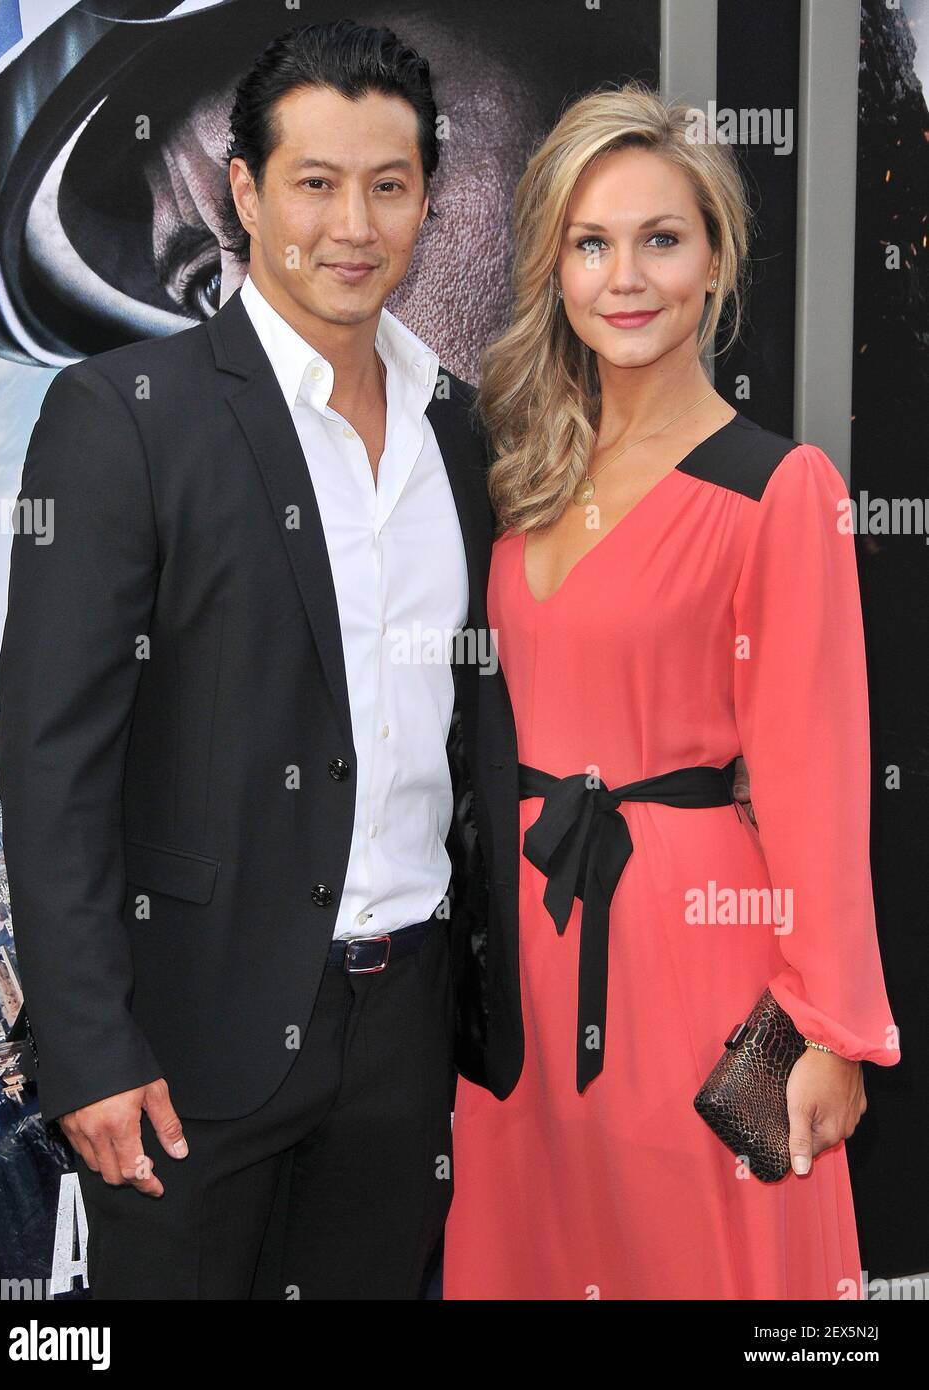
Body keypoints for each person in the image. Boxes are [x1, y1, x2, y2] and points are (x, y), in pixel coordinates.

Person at [0, 19, 529, 1301]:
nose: (352, 224)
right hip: (188, 1041)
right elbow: (53, 760)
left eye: (388, 185)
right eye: (313, 182)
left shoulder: (463, 432)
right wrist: (87, 1045)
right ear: (249, 192)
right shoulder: (123, 418)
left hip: (405, 1029)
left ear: (429, 194)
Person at [443, 82, 900, 1301]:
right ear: (553, 264)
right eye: (591, 243)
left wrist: (827, 1030)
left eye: (661, 238)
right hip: (525, 961)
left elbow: (817, 777)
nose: (624, 277)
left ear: (714, 258)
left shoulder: (779, 488)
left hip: (700, 957)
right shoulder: (524, 473)